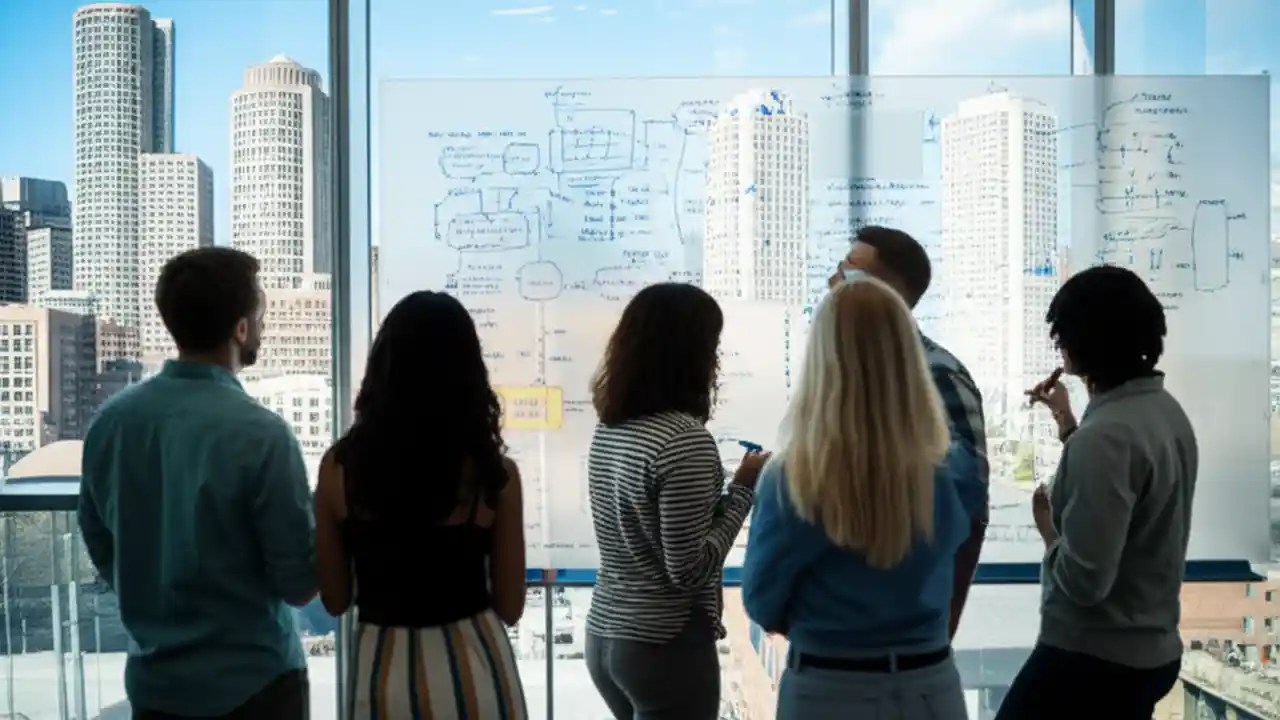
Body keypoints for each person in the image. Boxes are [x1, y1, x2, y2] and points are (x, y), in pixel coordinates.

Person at [79, 247, 316, 720]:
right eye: (260, 314)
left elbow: (102, 547)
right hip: (257, 689)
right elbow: (300, 584)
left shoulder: (111, 425)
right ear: (241, 328)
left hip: (156, 689)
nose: (261, 327)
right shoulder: (263, 434)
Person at [742, 276, 972, 719]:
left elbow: (762, 603)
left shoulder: (794, 477)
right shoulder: (946, 468)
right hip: (931, 688)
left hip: (829, 691)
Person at [314, 290, 528, 719]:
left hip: (385, 674)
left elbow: (335, 599)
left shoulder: (338, 470)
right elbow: (510, 605)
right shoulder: (495, 475)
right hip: (478, 670)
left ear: (382, 367)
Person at [995, 266, 1196, 719]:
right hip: (1149, 652)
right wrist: (1068, 424)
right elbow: (1125, 489)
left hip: (1091, 660)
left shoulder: (1104, 438)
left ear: (1072, 347)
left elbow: (1085, 583)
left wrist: (1048, 532)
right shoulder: (1165, 413)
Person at [584, 283, 769, 720]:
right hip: (661, 644)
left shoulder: (611, 429)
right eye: (713, 346)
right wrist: (743, 489)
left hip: (606, 632)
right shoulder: (683, 440)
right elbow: (687, 571)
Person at [830, 225, 988, 637]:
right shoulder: (840, 377)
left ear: (889, 290)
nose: (834, 278)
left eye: (849, 267)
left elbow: (969, 510)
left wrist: (941, 629)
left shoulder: (936, 374)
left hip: (909, 636)